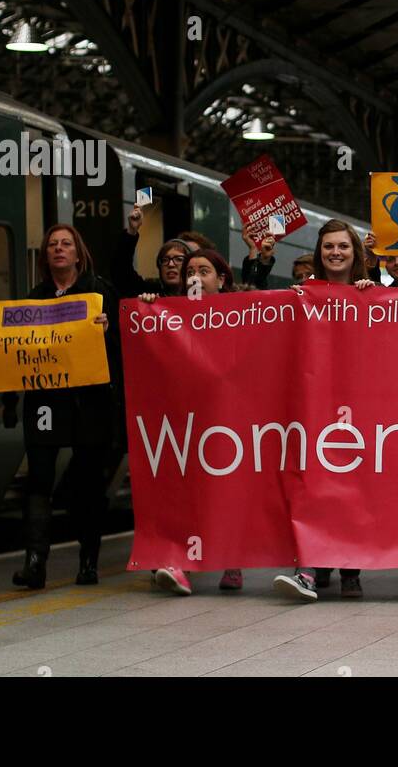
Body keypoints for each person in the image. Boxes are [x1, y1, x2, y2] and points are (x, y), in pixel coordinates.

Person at [0, 225, 120, 589]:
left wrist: (108, 330)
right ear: (45, 256)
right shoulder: (33, 300)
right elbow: (16, 355)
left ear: (78, 253)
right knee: (39, 480)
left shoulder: (101, 293)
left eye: (66, 244)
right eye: (52, 245)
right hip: (46, 403)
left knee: (87, 483)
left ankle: (88, 562)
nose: (59, 249)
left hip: (90, 403)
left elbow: (125, 344)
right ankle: (35, 563)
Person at [272, 220, 379, 602]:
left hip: (359, 406)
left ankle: (350, 569)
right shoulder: (302, 294)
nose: (335, 253)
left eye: (343, 247)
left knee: (352, 485)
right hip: (314, 406)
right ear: (320, 253)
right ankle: (308, 569)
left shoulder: (374, 296)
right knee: (311, 483)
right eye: (329, 247)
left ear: (355, 253)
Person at [143, 249, 246, 595]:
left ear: (222, 279)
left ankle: (232, 560)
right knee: (186, 491)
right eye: (190, 271)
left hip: (228, 418)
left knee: (226, 491)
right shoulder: (168, 314)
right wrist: (147, 309)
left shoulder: (242, 314)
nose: (194, 277)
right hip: (186, 417)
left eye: (204, 271)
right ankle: (179, 562)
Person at [113, 204, 192, 298]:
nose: (171, 264)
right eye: (165, 260)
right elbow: (121, 272)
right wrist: (131, 231)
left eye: (179, 259)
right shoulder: (150, 294)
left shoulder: (201, 296)